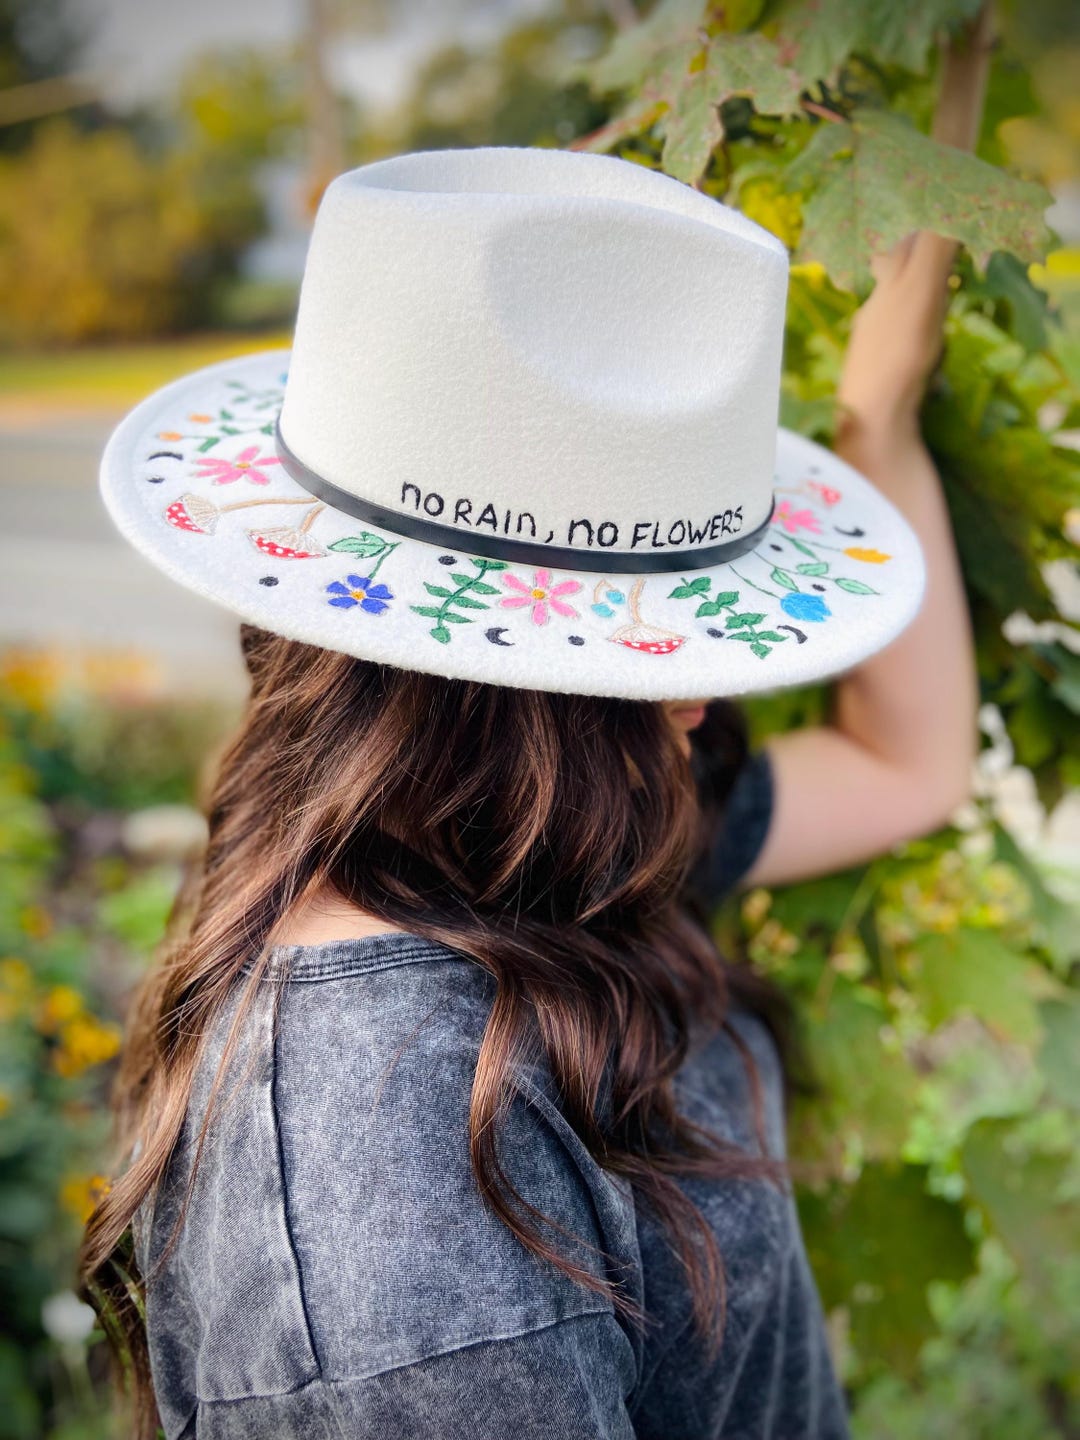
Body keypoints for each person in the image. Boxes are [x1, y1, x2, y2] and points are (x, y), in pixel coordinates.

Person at [79, 148, 976, 1440]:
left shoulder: (497, 856)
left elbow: (908, 764)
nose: (701, 703)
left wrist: (876, 422)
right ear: (530, 693)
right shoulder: (399, 1227)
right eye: (668, 649)